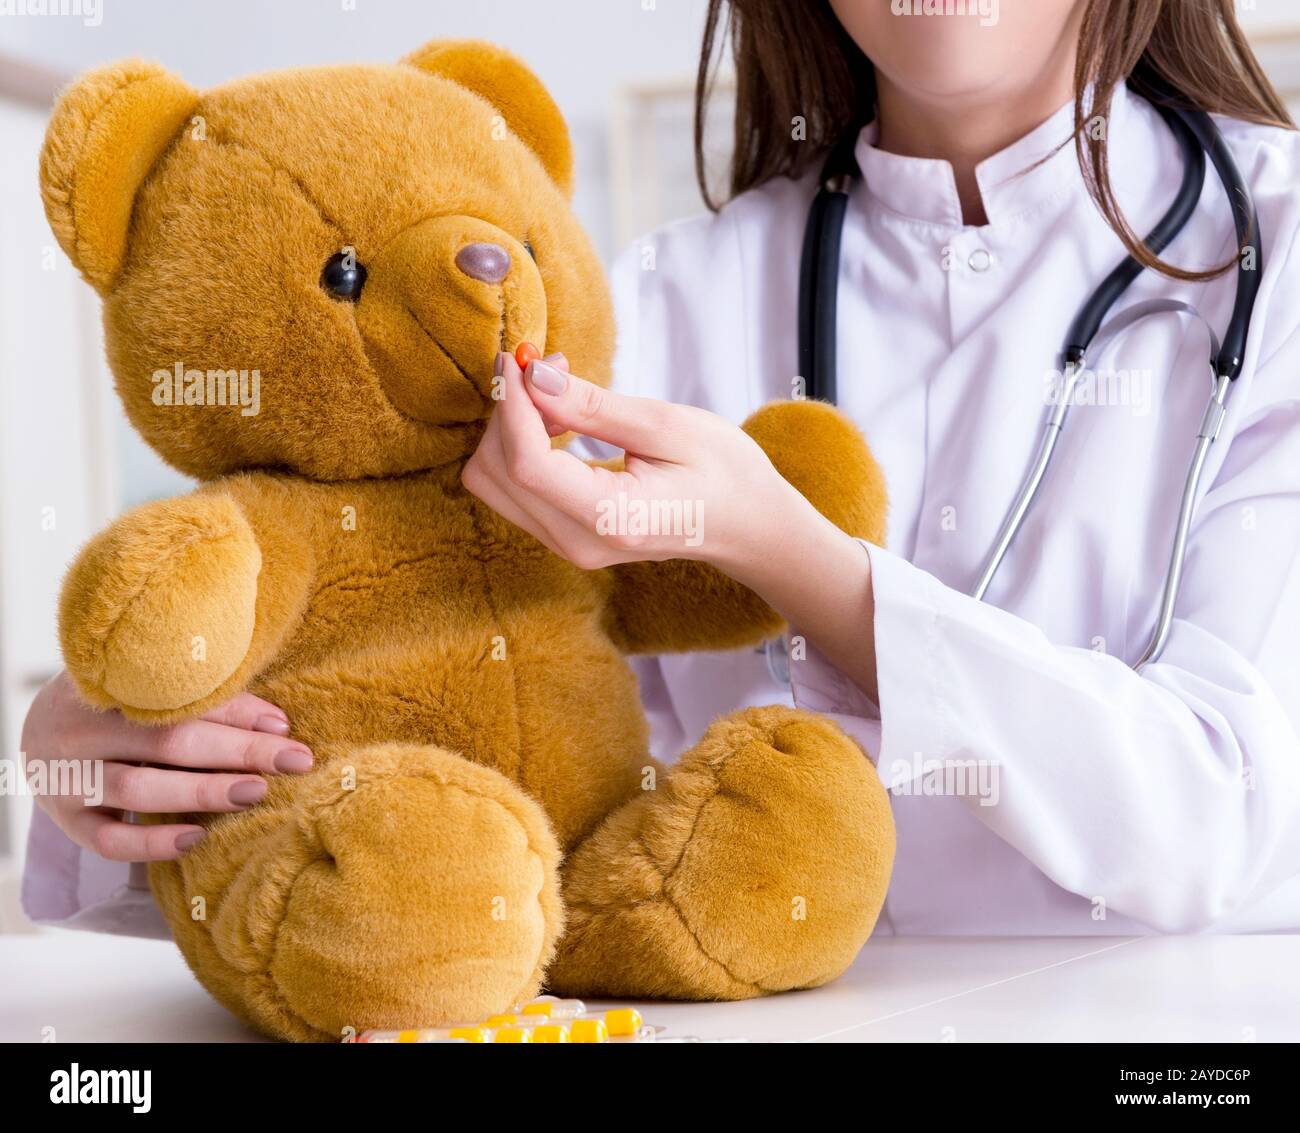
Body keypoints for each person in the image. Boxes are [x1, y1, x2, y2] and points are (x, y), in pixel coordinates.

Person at [22, 0, 1300, 938]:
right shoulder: (642, 306)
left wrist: (785, 553)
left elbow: (1217, 819)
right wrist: (99, 751)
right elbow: (439, 739)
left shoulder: (1278, 252)